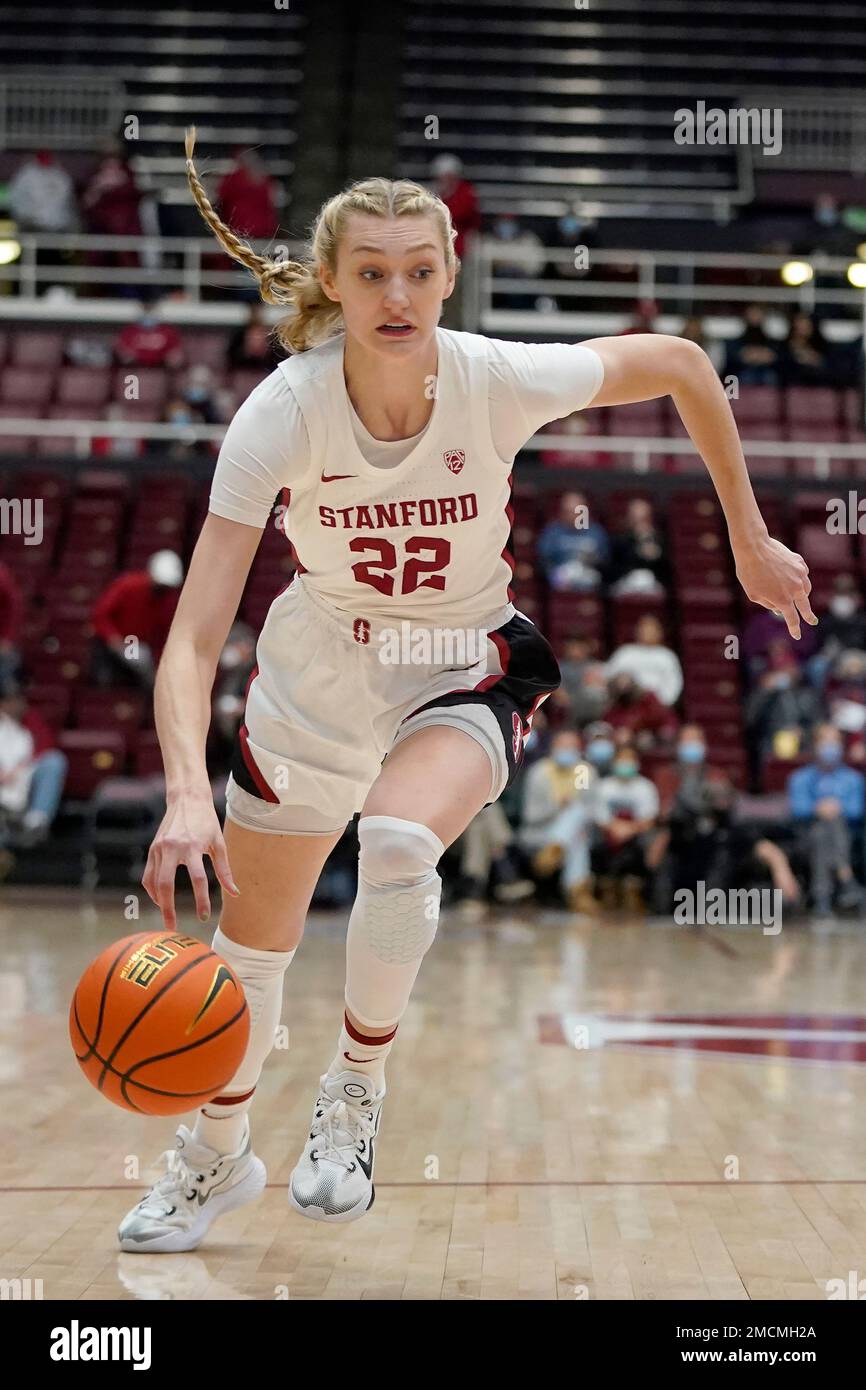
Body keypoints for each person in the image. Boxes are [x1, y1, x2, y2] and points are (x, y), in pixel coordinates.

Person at [117, 125, 815, 1255]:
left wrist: (744, 532)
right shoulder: (280, 412)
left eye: (422, 270)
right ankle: (213, 1157)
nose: (399, 294)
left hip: (459, 665)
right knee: (249, 958)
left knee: (397, 838)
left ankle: (353, 1093)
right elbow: (193, 637)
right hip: (315, 683)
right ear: (335, 283)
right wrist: (184, 793)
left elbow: (683, 362)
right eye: (372, 273)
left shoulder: (491, 377)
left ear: (452, 269)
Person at [517, 728, 599, 913]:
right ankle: (577, 892)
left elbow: (589, 810)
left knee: (577, 812)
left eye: (572, 746)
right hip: (540, 832)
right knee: (576, 835)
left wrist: (569, 806)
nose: (567, 750)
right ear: (553, 748)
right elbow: (531, 816)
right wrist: (556, 806)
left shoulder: (582, 772)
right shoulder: (540, 772)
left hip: (574, 832)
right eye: (563, 746)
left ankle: (556, 846)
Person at [788, 724, 865, 916]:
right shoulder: (800, 778)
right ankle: (845, 876)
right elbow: (798, 810)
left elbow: (856, 810)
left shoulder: (853, 779)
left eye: (835, 741)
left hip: (846, 834)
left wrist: (836, 808)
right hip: (807, 836)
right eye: (825, 741)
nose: (830, 746)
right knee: (821, 831)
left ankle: (822, 898)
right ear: (815, 746)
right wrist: (817, 808)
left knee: (827, 829)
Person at [91, 551, 183, 690]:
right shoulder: (128, 585)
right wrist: (116, 641)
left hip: (142, 651)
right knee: (104, 684)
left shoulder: (170, 600)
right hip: (112, 648)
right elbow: (101, 615)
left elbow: (164, 633)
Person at [0, 679, 68, 853]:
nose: (17, 704)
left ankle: (35, 824)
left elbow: (46, 748)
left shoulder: (31, 719)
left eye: (19, 699)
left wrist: (19, 769)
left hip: (25, 779)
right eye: (11, 700)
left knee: (54, 762)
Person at [591, 745, 660, 911]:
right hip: (608, 834)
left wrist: (630, 829)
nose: (625, 763)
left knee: (648, 839)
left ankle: (634, 886)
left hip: (635, 834)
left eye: (630, 759)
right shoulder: (603, 786)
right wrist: (614, 827)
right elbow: (599, 817)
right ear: (614, 762)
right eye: (622, 759)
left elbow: (649, 819)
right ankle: (605, 885)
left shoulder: (646, 787)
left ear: (637, 763)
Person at [536, 491, 610, 590]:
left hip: (588, 575)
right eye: (568, 512)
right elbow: (544, 559)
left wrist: (593, 560)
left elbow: (604, 559)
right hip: (560, 577)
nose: (573, 516)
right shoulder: (552, 532)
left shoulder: (596, 532)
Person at [605, 613, 683, 707]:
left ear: (660, 632)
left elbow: (674, 684)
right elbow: (609, 675)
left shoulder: (667, 656)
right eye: (643, 629)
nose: (646, 633)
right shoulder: (625, 652)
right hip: (627, 705)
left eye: (651, 630)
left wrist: (662, 704)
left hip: (656, 707)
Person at [8, 150, 78, 235]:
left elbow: (68, 202)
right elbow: (15, 198)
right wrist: (26, 217)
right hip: (31, 226)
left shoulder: (60, 175)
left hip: (56, 228)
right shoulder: (26, 174)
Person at [607, 497, 670, 592]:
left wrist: (655, 553)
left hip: (652, 583)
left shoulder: (659, 538)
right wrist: (637, 545)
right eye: (636, 517)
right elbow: (615, 565)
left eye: (643, 518)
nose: (640, 522)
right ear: (629, 517)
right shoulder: (620, 538)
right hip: (625, 581)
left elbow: (665, 569)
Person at [114, 294, 185, 370]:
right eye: (146, 310)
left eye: (150, 310)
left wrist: (171, 357)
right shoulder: (130, 331)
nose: (148, 314)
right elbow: (122, 350)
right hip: (135, 369)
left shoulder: (167, 331)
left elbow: (176, 351)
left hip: (162, 369)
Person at [724, 304, 782, 386]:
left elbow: (772, 356)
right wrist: (748, 355)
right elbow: (737, 357)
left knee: (770, 377)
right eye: (752, 314)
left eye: (757, 314)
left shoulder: (771, 341)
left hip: (766, 371)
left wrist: (759, 356)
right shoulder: (737, 341)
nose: (755, 318)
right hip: (744, 371)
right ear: (746, 317)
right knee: (745, 377)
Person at [227, 303, 281, 370]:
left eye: (258, 312)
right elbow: (232, 357)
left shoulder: (270, 334)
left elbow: (274, 358)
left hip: (264, 370)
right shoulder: (239, 334)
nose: (256, 315)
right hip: (244, 369)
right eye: (254, 312)